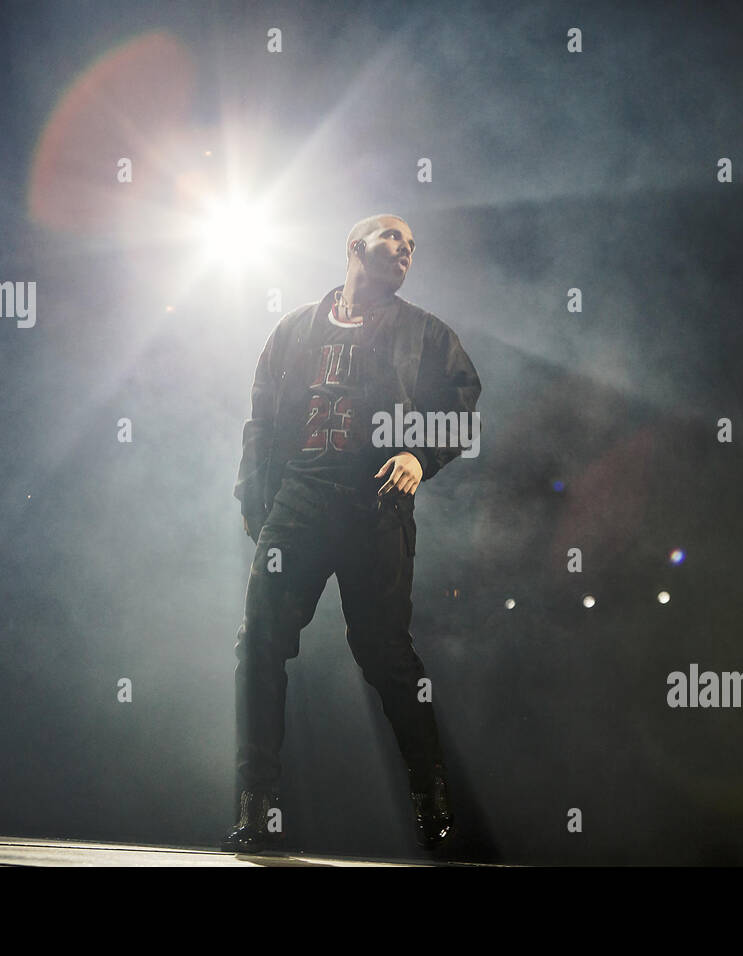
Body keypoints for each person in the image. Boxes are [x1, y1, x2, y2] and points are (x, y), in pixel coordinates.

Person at [225, 213, 482, 854]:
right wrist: (257, 500)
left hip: (375, 506)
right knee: (259, 644)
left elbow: (462, 403)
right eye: (392, 237)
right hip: (301, 501)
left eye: (413, 245)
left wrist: (421, 457)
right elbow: (259, 420)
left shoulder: (425, 333)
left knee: (385, 656)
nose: (405, 250)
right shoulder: (292, 331)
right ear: (354, 247)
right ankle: (255, 807)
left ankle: (431, 794)